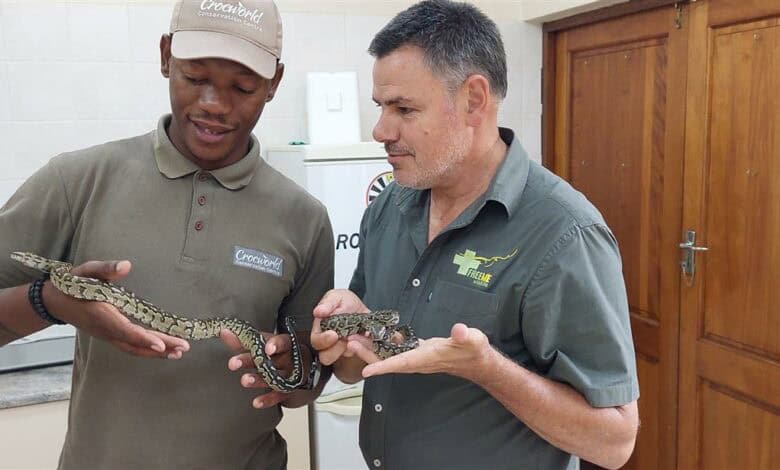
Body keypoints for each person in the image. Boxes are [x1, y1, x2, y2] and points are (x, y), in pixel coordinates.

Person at [0, 1, 332, 469]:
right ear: (164, 56)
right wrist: (51, 302)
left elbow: (308, 378)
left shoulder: (305, 218)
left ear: (274, 82)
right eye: (195, 78)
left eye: (242, 86)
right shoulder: (77, 182)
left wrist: (289, 370)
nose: (214, 105)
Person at [308, 1, 640, 469]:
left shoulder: (565, 234)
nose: (381, 129)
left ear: (474, 101)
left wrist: (488, 371)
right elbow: (360, 365)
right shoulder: (390, 206)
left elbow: (614, 442)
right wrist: (346, 337)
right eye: (381, 107)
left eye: (403, 108)